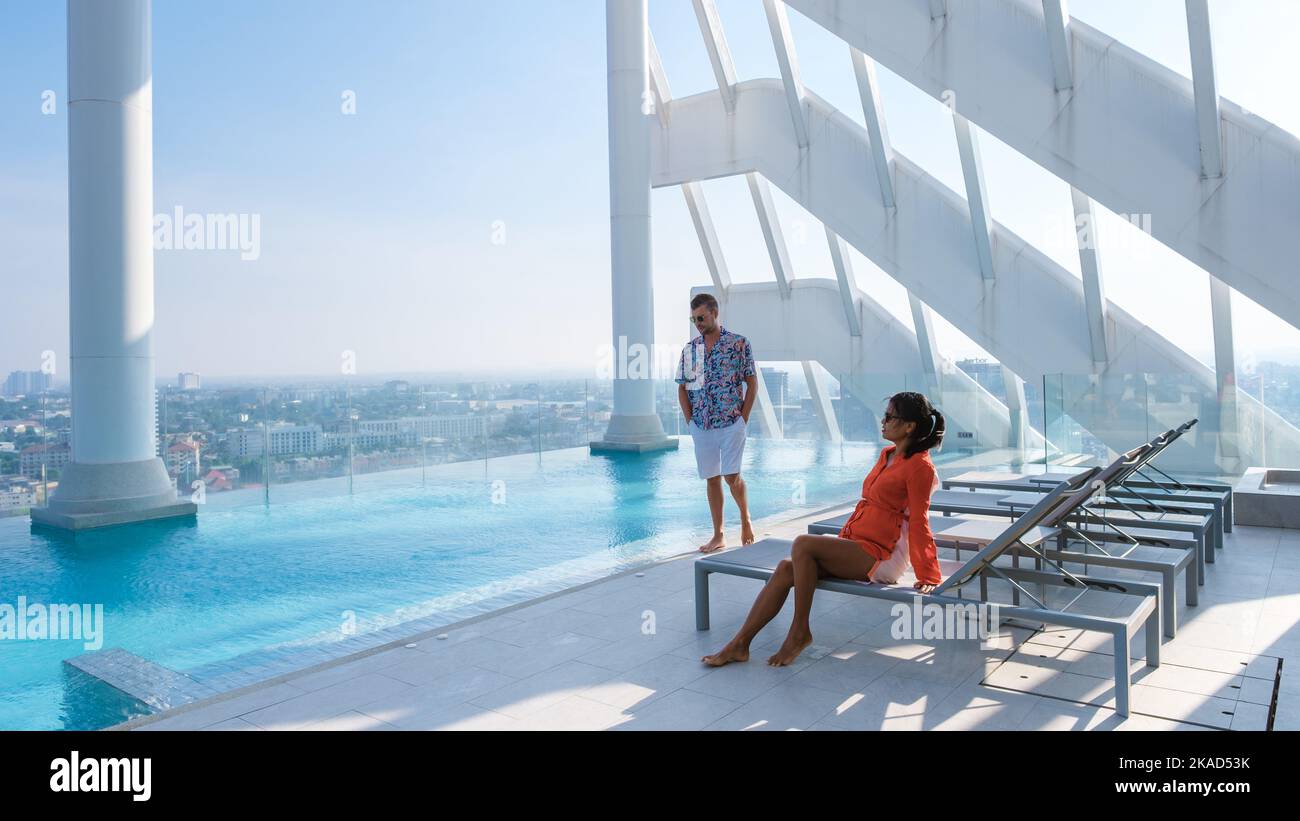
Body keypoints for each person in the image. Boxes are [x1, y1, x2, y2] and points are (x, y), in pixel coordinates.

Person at [702, 391, 946, 668]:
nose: (884, 421)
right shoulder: (888, 455)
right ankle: (739, 645)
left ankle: (799, 631)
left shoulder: (920, 467)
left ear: (910, 426)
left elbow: (918, 520)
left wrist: (928, 572)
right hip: (858, 543)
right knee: (785, 568)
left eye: (890, 416)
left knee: (804, 544)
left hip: (881, 554)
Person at [674, 293, 758, 553]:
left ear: (714, 313)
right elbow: (682, 388)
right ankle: (718, 534)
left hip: (731, 422)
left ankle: (745, 519)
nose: (698, 323)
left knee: (732, 476)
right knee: (712, 479)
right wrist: (691, 423)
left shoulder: (739, 344)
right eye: (694, 319)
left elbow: (751, 382)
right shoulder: (690, 350)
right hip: (702, 425)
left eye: (702, 317)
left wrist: (742, 419)